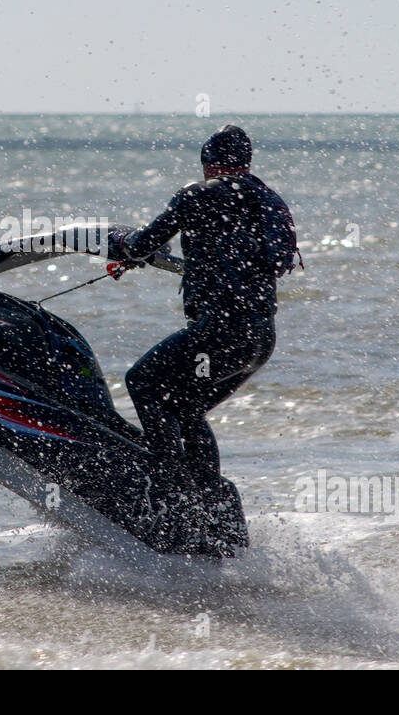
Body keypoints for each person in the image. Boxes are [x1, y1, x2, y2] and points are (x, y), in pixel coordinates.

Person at [108, 124, 300, 485]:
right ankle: (206, 496)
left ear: (208, 162)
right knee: (185, 406)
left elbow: (141, 243)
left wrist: (123, 241)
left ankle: (170, 483)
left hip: (219, 331)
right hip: (259, 338)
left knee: (142, 381)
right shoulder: (269, 200)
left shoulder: (196, 194)